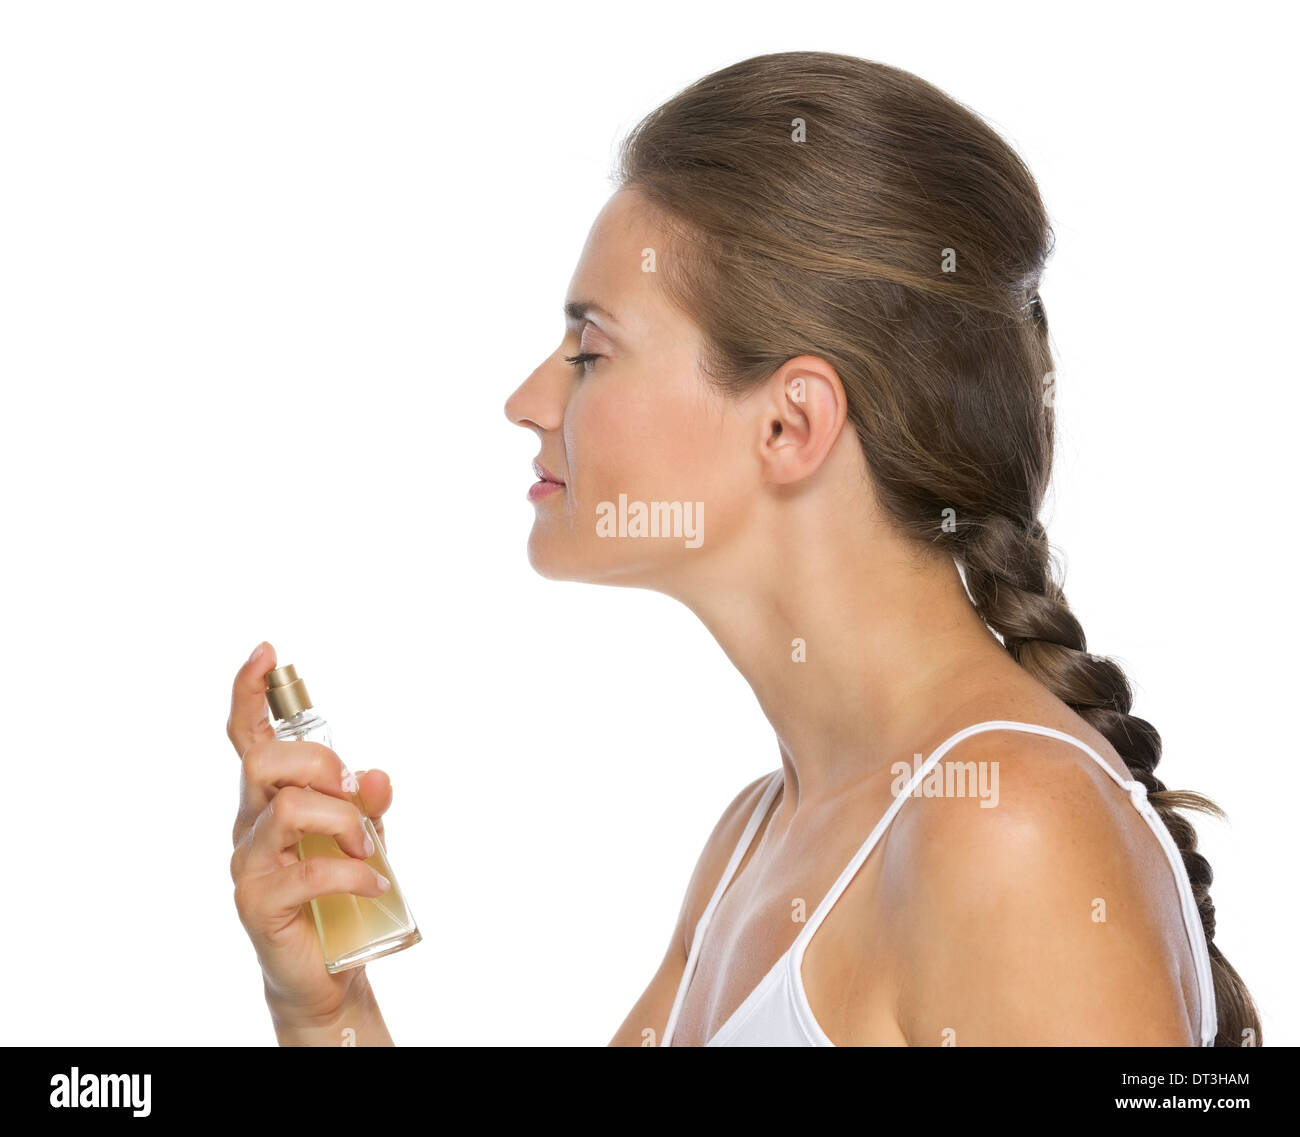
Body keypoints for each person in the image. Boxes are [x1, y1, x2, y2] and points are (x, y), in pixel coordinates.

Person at [228, 51, 1259, 1046]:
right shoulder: (760, 837)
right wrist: (328, 1013)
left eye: (590, 351)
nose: (527, 401)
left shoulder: (1006, 832)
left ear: (788, 425)